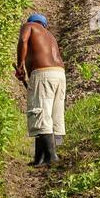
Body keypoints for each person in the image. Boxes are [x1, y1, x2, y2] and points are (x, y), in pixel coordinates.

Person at [15, 13, 66, 167]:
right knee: (51, 114)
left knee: (40, 114)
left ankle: (52, 157)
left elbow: (23, 40)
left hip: (43, 74)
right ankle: (40, 159)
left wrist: (20, 65)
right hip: (59, 74)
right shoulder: (49, 36)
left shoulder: (29, 26)